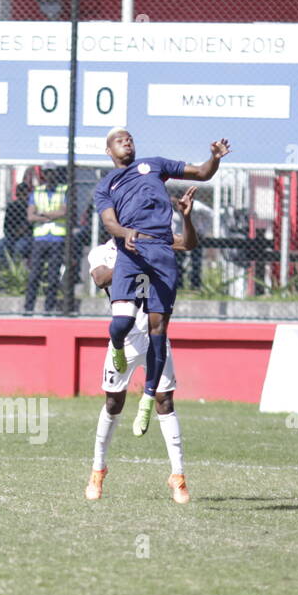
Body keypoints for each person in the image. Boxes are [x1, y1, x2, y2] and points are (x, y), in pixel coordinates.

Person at [94, 128, 230, 436]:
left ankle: (146, 402)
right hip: (132, 251)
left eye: (129, 137)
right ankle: (117, 344)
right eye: (119, 139)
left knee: (160, 330)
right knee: (122, 322)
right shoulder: (106, 186)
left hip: (161, 251)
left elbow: (202, 173)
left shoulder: (154, 165)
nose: (126, 141)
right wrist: (125, 233)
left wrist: (214, 158)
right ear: (108, 151)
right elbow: (109, 222)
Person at [86, 187, 200, 505]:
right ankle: (98, 470)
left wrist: (185, 218)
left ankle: (178, 477)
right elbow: (100, 278)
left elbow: (188, 244)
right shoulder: (102, 252)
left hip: (156, 335)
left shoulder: (156, 243)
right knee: (113, 403)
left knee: (165, 401)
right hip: (123, 340)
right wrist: (131, 259)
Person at [24, 166, 69, 315]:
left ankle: (49, 308)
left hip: (57, 237)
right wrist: (52, 215)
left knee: (53, 275)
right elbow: (30, 216)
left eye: (52, 172)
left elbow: (64, 211)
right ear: (43, 174)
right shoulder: (37, 192)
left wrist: (42, 214)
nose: (50, 175)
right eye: (47, 172)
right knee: (34, 274)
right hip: (40, 238)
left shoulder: (64, 190)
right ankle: (28, 308)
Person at [0, 181, 32, 266]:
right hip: (12, 236)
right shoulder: (12, 207)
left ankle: (16, 270)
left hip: (27, 237)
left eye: (25, 194)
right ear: (17, 195)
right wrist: (14, 234)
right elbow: (6, 227)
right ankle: (4, 271)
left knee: (19, 247)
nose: (23, 197)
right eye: (21, 194)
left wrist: (23, 231)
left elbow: (30, 226)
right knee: (1, 245)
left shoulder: (31, 208)